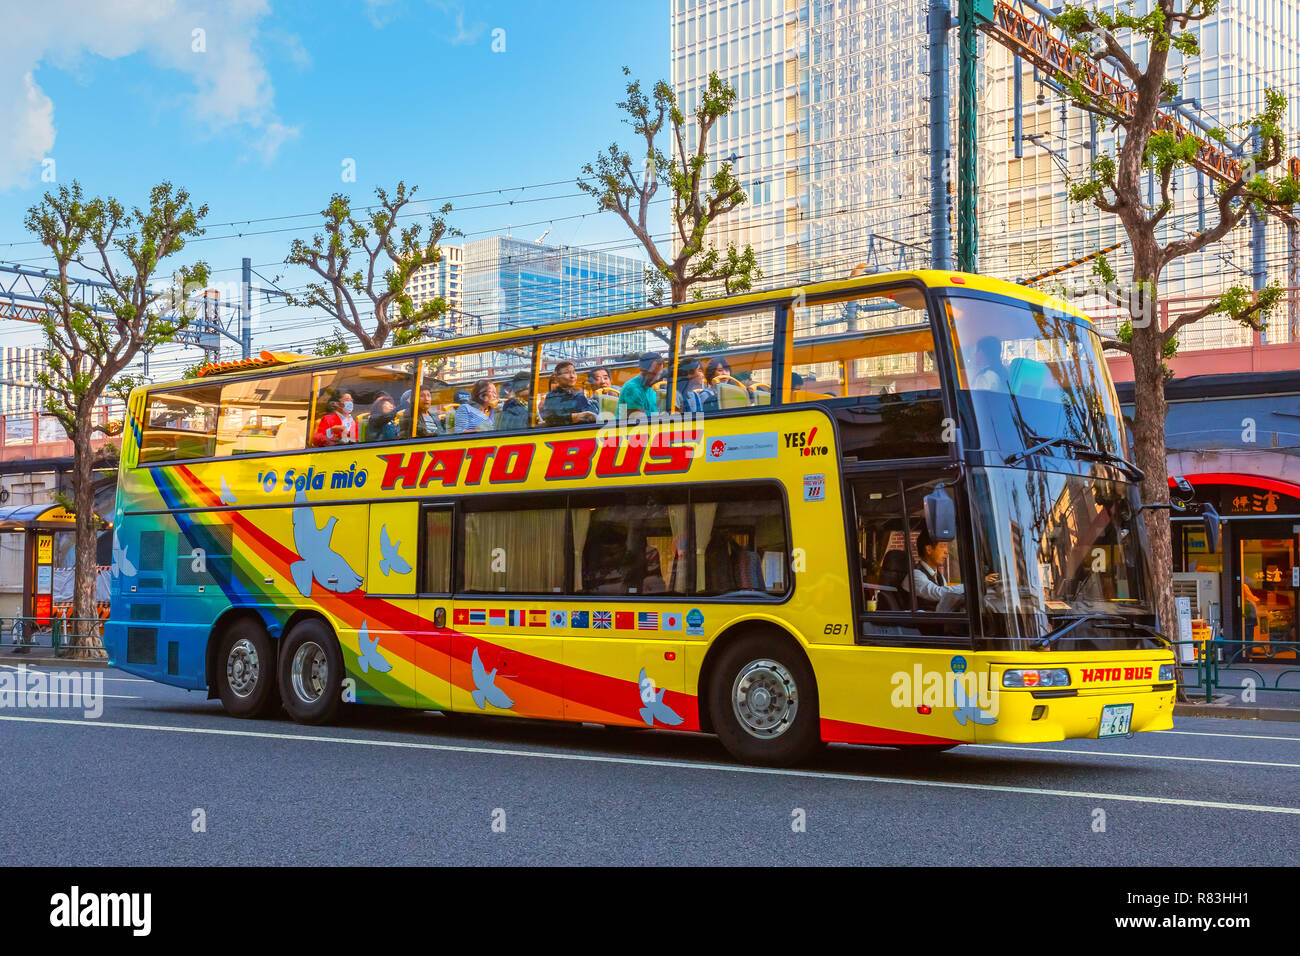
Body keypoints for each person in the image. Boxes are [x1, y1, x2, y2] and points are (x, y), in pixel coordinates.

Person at [541, 361, 598, 426]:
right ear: (557, 377)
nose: (572, 376)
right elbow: (551, 419)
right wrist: (575, 417)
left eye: (573, 372)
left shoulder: (579, 395)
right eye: (567, 372)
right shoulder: (553, 397)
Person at [618, 352, 665, 421]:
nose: (657, 378)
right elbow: (639, 421)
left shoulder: (650, 389)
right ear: (643, 371)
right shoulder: (632, 389)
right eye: (653, 374)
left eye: (659, 374)